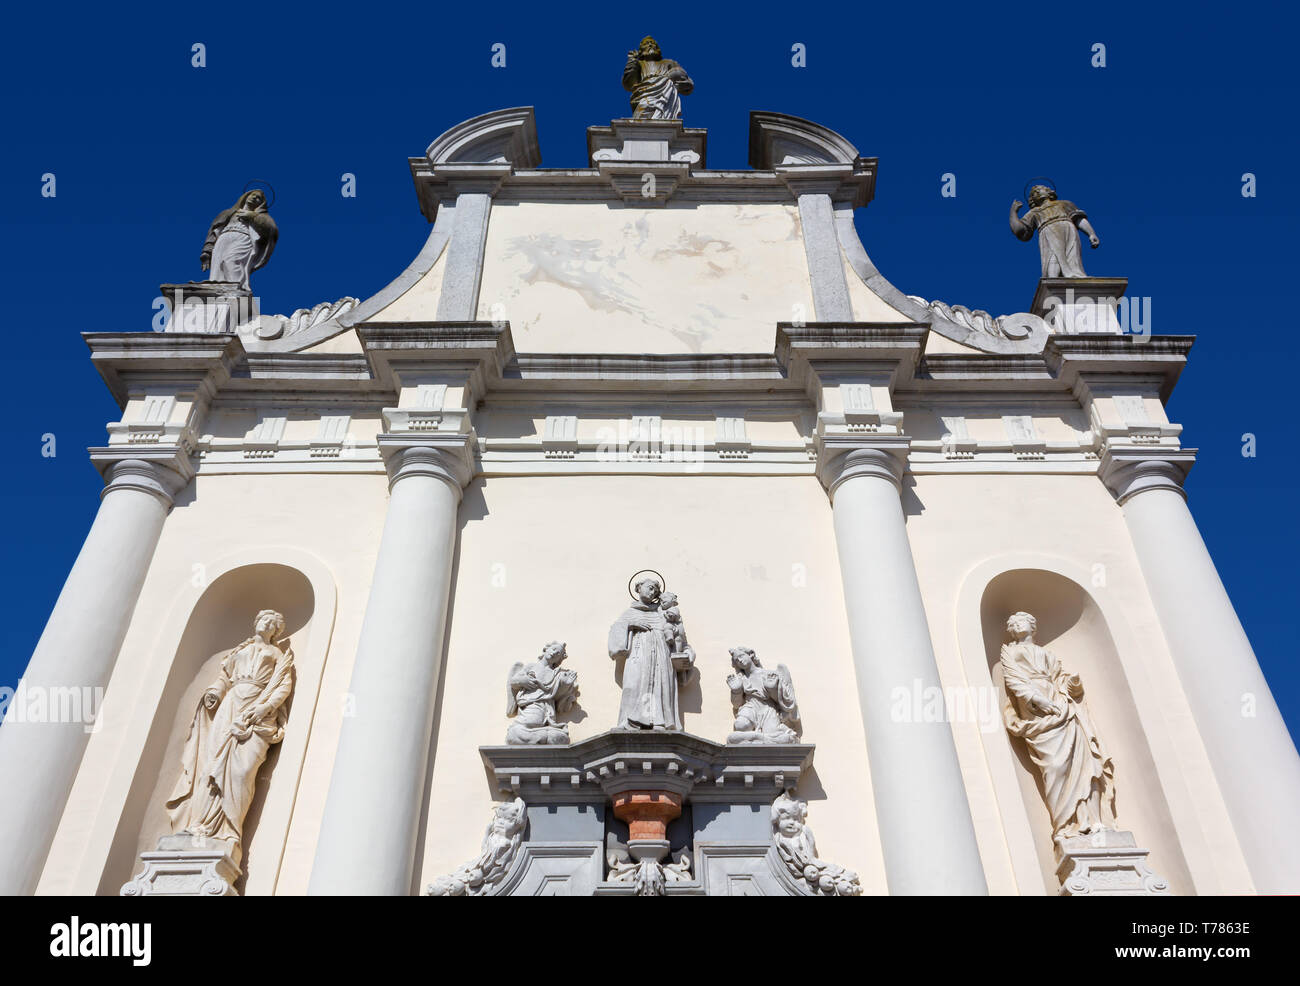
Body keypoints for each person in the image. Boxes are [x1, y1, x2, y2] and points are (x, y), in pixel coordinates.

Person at [1000, 611, 1114, 846]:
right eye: (1014, 623)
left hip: (1064, 710)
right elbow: (1014, 681)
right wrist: (1040, 701)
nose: (1018, 624)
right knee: (1054, 767)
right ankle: (1064, 825)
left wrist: (1072, 685)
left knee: (1085, 766)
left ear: (1033, 627)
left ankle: (1093, 821)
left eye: (1023, 621)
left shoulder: (1047, 654)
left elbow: (1061, 680)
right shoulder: (1009, 652)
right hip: (1038, 713)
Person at [1009, 184, 1099, 278]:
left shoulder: (1064, 204)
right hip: (1048, 232)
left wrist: (1091, 234)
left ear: (1049, 191)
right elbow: (1019, 230)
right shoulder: (1034, 212)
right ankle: (1053, 279)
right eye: (1035, 193)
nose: (1038, 193)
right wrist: (1013, 212)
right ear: (1032, 199)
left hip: (1068, 229)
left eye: (1041, 189)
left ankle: (1076, 275)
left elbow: (1079, 219)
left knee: (1072, 254)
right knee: (1053, 257)